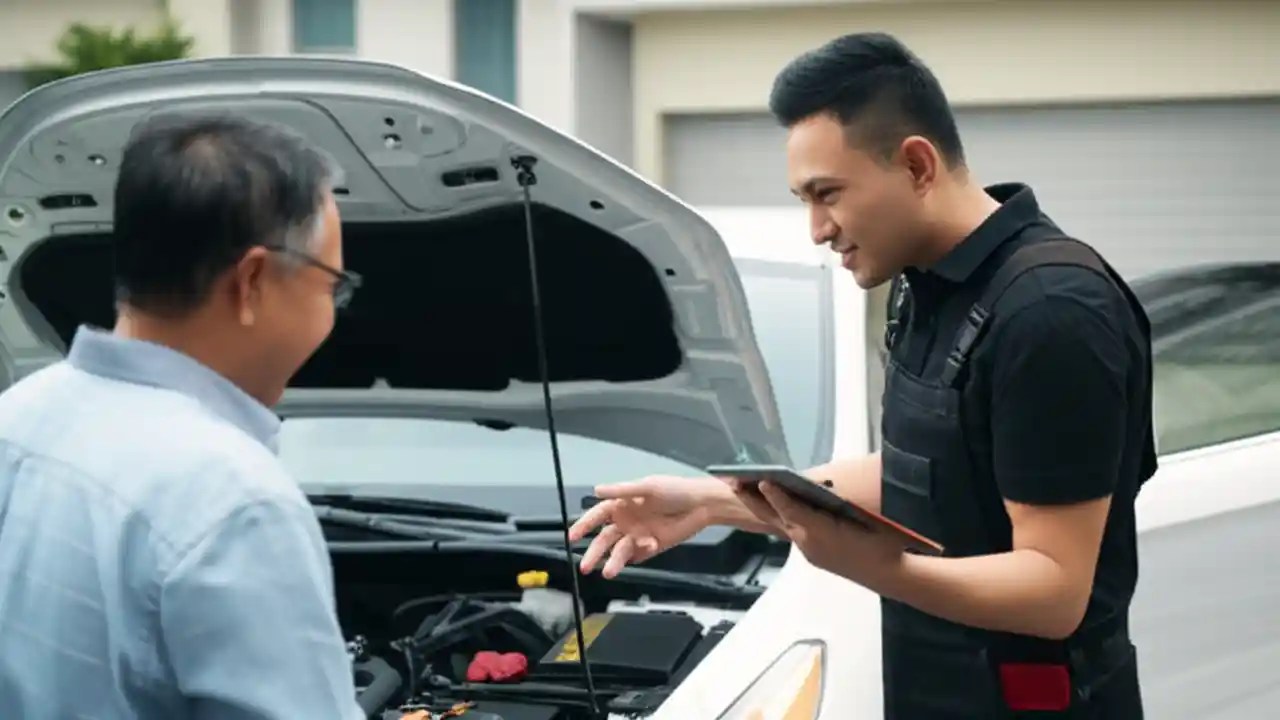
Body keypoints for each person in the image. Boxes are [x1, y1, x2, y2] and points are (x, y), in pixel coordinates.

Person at [570, 31, 1156, 719]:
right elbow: (929, 472)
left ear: (915, 165)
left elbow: (1054, 590)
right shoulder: (927, 287)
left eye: (828, 194)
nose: (817, 229)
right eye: (803, 200)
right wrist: (713, 502)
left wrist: (877, 567)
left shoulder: (1051, 314)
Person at [0, 113, 364, 719]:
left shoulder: (14, 422)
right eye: (332, 286)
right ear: (251, 281)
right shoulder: (235, 503)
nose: (333, 310)